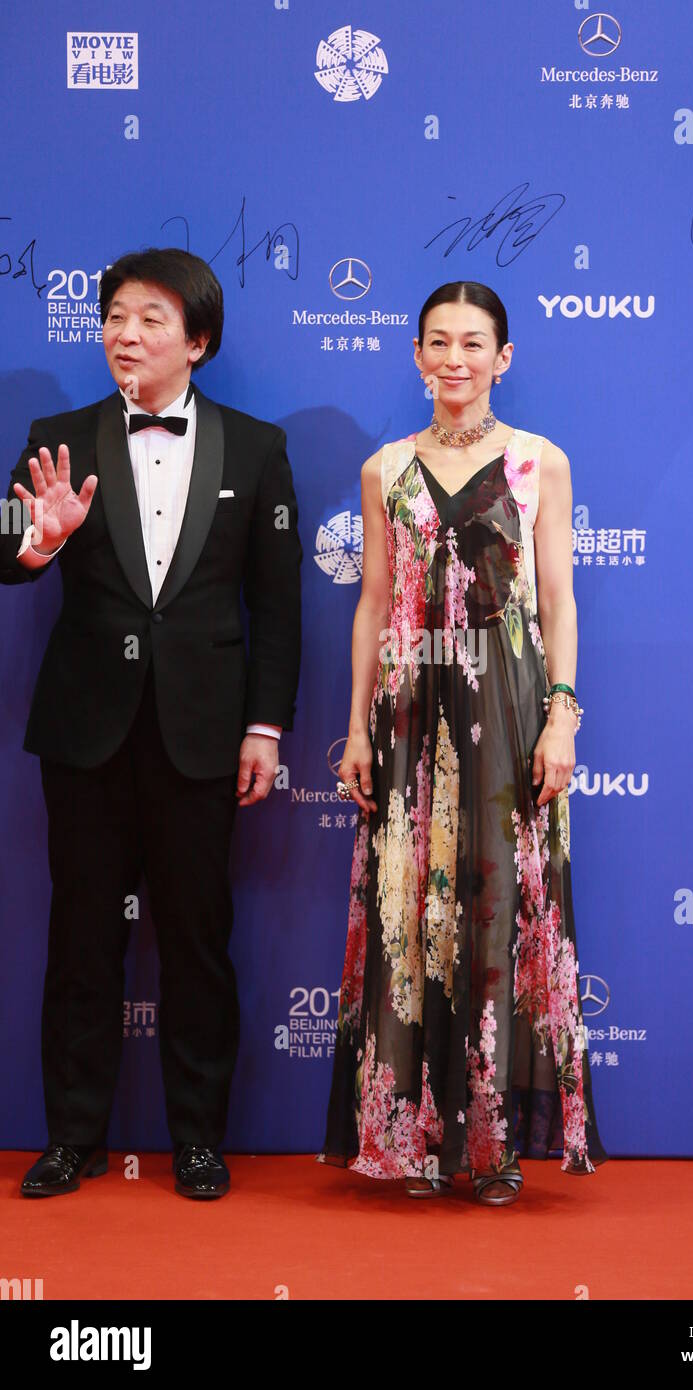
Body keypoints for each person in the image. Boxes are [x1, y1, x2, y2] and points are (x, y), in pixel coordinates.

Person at [0, 247, 302, 1199]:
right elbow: (8, 556)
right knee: (80, 937)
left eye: (152, 320)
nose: (126, 335)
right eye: (115, 316)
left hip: (204, 734)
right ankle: (71, 1137)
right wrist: (33, 543)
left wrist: (266, 728)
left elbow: (278, 607)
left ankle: (200, 1140)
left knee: (198, 942)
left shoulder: (257, 448)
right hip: (89, 729)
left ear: (197, 342)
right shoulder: (59, 435)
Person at [321, 280, 607, 1204]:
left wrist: (563, 713)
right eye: (437, 342)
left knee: (495, 916)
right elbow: (371, 605)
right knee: (412, 912)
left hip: (510, 704)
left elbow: (559, 601)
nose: (455, 358)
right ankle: (415, 1135)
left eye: (473, 343)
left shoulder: (539, 462)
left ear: (503, 358)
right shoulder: (383, 469)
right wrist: (356, 727)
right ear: (415, 354)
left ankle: (492, 1145)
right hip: (408, 710)